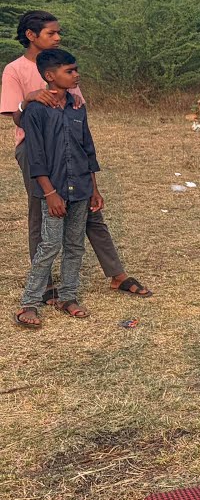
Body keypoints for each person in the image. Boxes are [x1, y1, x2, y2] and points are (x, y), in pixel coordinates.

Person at [1, 10, 152, 301]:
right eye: (51, 33)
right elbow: (15, 117)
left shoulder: (65, 66)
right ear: (31, 36)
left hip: (70, 147)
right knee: (43, 212)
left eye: (59, 33)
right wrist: (29, 99)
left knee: (90, 210)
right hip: (36, 151)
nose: (57, 38)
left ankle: (116, 273)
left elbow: (76, 109)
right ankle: (43, 281)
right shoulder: (15, 70)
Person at [14, 49, 98, 327]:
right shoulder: (36, 110)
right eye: (70, 71)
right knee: (49, 245)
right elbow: (36, 157)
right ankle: (29, 302)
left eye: (76, 70)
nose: (76, 75)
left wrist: (94, 189)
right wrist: (50, 193)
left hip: (82, 188)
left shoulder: (77, 106)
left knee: (75, 246)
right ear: (50, 76)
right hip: (55, 191)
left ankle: (68, 296)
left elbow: (87, 149)